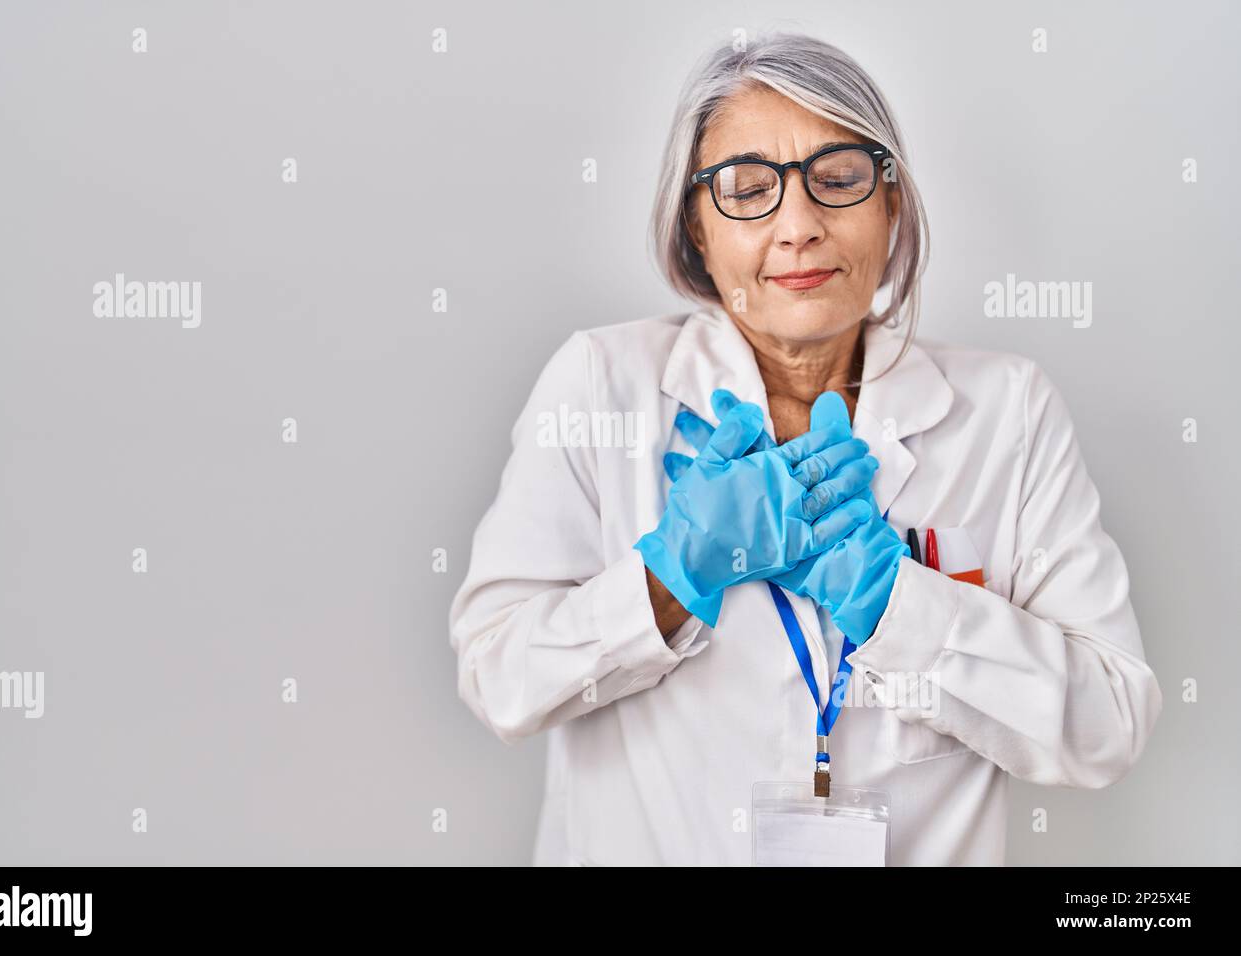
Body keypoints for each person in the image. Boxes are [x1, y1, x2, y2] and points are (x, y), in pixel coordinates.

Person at [448, 32, 1161, 865]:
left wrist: (902, 606)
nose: (798, 227)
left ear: (892, 205)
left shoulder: (1009, 412)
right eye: (747, 188)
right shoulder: (601, 385)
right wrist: (671, 577)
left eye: (838, 179)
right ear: (695, 228)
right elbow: (498, 680)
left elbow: (1109, 723)